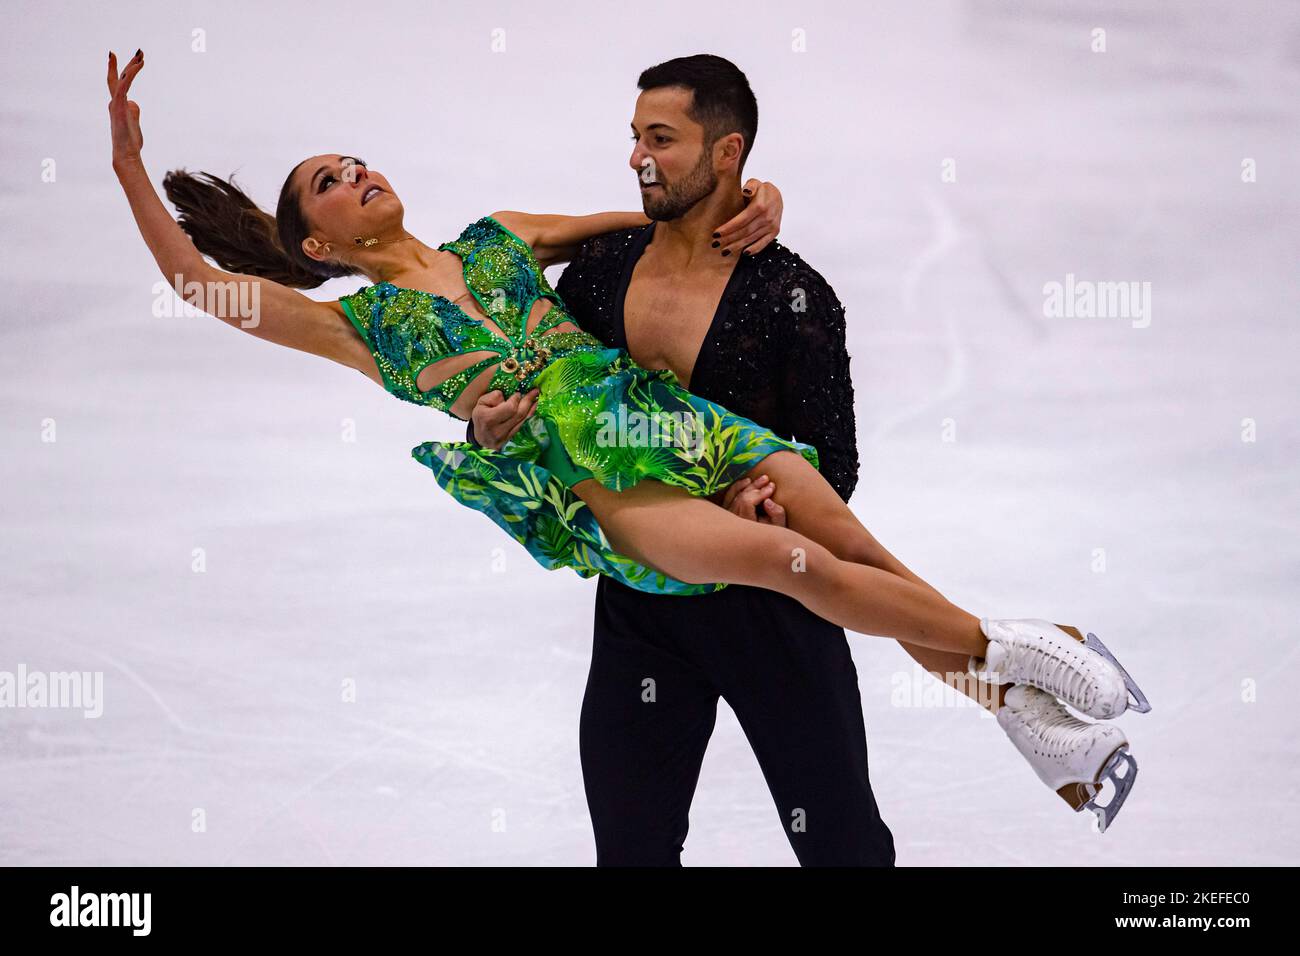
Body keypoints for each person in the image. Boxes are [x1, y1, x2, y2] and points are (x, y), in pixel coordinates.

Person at [106, 48, 1149, 846]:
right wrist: (126, 164)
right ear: (321, 246)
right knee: (791, 561)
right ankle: (1017, 653)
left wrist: (754, 200)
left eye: (352, 157)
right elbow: (199, 286)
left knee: (848, 541)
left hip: (660, 413)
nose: (354, 170)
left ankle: (1017, 701)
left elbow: (660, 220)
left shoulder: (499, 234)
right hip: (594, 476)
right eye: (328, 182)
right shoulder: (359, 328)